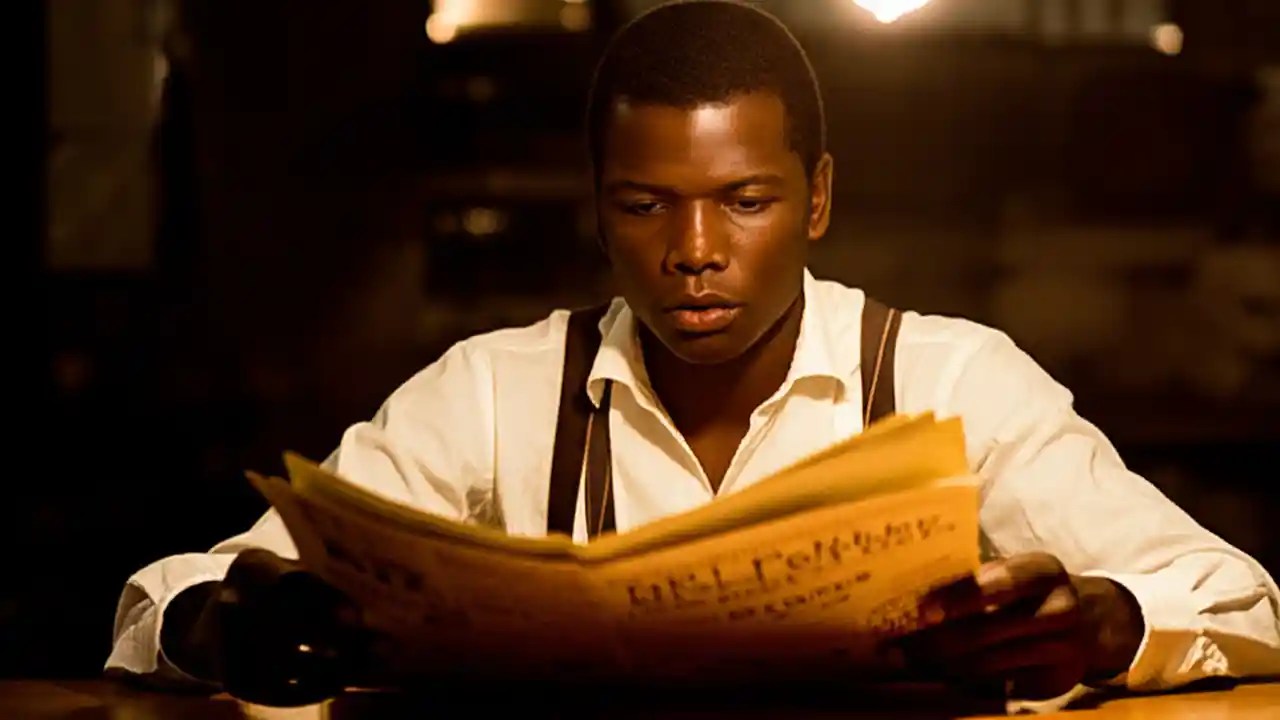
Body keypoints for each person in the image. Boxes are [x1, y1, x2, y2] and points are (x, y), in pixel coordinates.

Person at [106, 0, 1280, 708]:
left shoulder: (949, 380)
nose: (694, 252)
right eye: (644, 206)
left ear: (816, 199)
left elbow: (1241, 600)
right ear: (598, 209)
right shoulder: (494, 393)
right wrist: (227, 627)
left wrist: (1106, 626)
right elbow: (168, 599)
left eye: (745, 200)